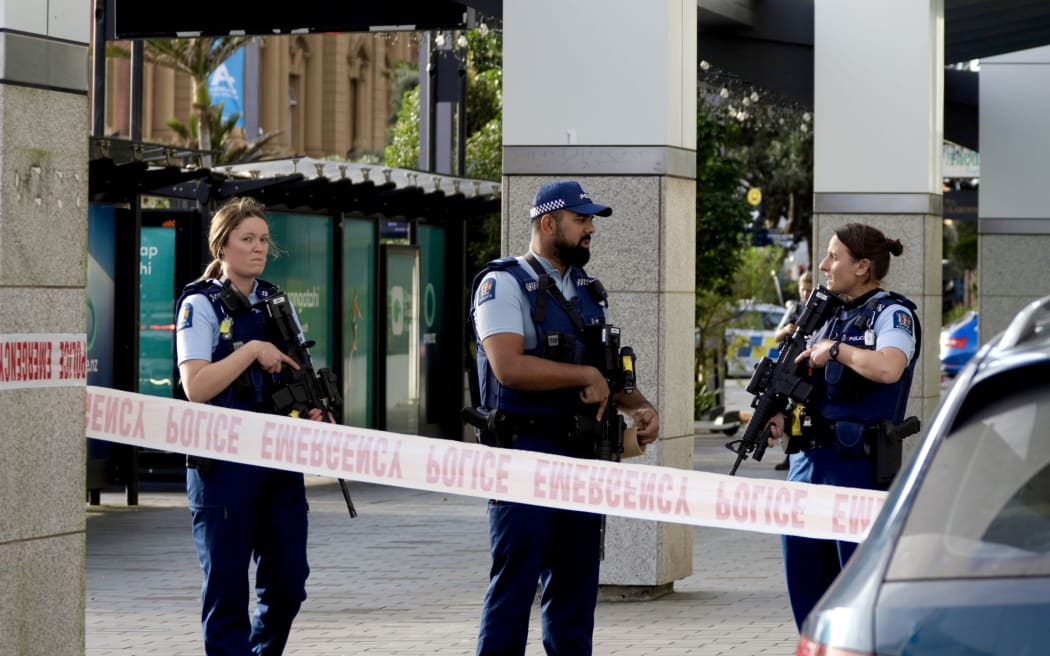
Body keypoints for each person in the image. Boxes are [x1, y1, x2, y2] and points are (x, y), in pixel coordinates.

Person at [469, 180, 660, 655]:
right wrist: (583, 376)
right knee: (514, 588)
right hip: (525, 454)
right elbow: (507, 367)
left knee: (575, 592)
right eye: (582, 219)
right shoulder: (503, 283)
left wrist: (637, 405)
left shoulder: (589, 290)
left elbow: (606, 372)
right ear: (548, 223)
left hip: (582, 454)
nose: (591, 228)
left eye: (592, 219)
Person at [175, 196, 323, 655]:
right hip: (223, 465)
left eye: (263, 240)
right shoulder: (200, 305)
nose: (258, 248)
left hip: (278, 460)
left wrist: (316, 410)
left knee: (289, 584)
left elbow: (301, 371)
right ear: (223, 245)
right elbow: (195, 385)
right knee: (226, 594)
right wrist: (250, 351)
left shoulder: (276, 300)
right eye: (247, 239)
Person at [764, 223, 920, 629]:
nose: (823, 265)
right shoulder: (823, 316)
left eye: (834, 257)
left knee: (858, 603)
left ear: (863, 267)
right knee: (808, 598)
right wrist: (778, 413)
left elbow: (888, 367)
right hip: (806, 470)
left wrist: (834, 351)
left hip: (858, 472)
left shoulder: (892, 314)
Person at [772, 271, 814, 470]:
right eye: (802, 289)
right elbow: (776, 335)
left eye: (808, 289)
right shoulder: (795, 309)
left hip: (807, 367)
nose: (805, 293)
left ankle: (802, 452)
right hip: (790, 367)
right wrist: (788, 330)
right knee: (788, 414)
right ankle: (789, 456)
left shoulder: (818, 311)